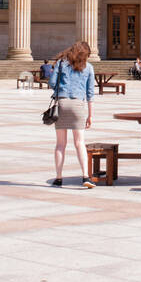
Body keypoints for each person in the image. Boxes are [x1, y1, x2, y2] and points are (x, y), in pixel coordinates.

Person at [48, 40, 95, 189]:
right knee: (79, 143)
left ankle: (59, 178)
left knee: (60, 144)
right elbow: (90, 94)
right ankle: (86, 176)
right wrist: (90, 115)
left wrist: (61, 88)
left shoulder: (61, 64)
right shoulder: (88, 67)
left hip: (62, 104)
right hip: (78, 105)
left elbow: (52, 83)